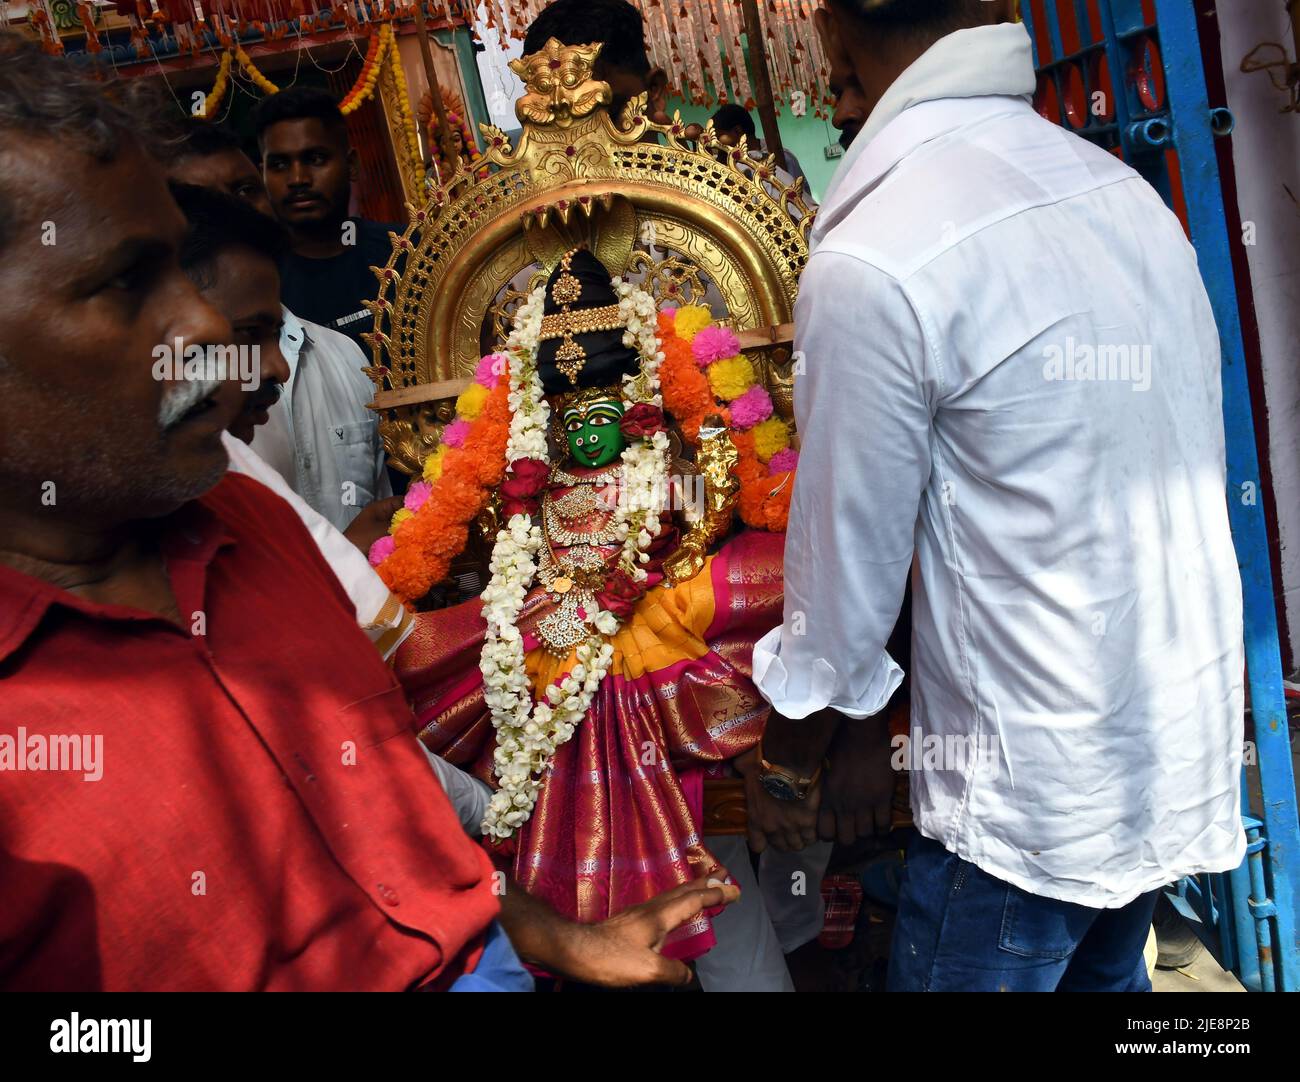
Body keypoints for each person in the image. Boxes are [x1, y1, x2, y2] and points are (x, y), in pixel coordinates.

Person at [0, 33, 731, 991]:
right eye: (128, 282)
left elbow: (399, 817)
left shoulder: (250, 520)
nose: (210, 330)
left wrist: (554, 936)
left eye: (182, 268)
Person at [750, 0, 1245, 992]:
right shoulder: (1121, 194)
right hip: (1164, 741)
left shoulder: (875, 256)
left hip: (1024, 805)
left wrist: (787, 761)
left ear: (833, 46)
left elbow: (847, 580)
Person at [160, 119, 395, 536]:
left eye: (245, 192)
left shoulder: (343, 355)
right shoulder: (166, 422)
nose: (236, 218)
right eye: (208, 208)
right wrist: (342, 561)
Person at [254, 87, 400, 350]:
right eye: (280, 165)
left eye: (316, 158)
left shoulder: (406, 252)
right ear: (262, 175)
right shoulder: (256, 284)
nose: (298, 179)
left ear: (352, 165)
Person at [709, 103, 808, 189]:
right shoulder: (729, 161)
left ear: (737, 131)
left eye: (718, 136)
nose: (715, 142)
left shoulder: (783, 158)